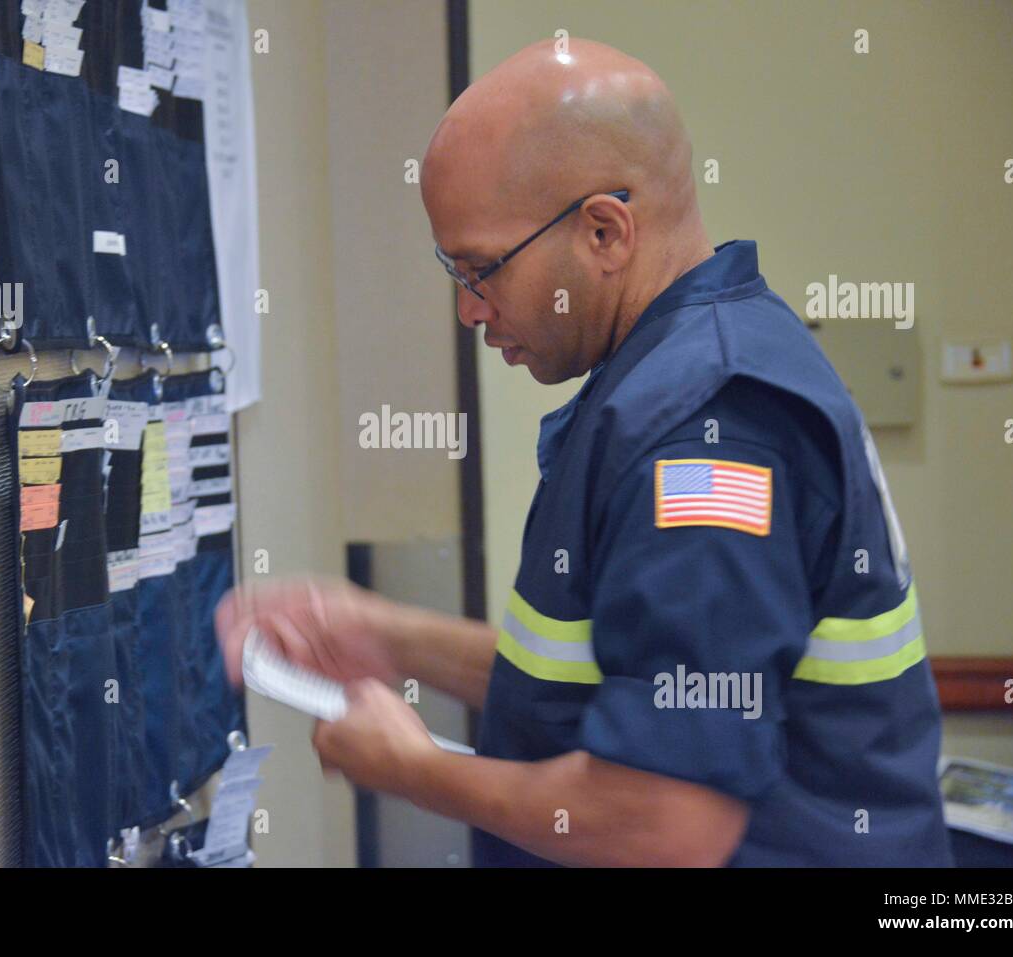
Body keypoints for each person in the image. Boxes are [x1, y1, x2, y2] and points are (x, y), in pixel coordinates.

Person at [215, 38, 953, 867]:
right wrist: (386, 634)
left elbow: (665, 822)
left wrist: (410, 768)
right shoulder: (690, 364)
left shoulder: (704, 433)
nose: (468, 310)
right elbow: (625, 686)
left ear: (604, 231)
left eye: (480, 269)